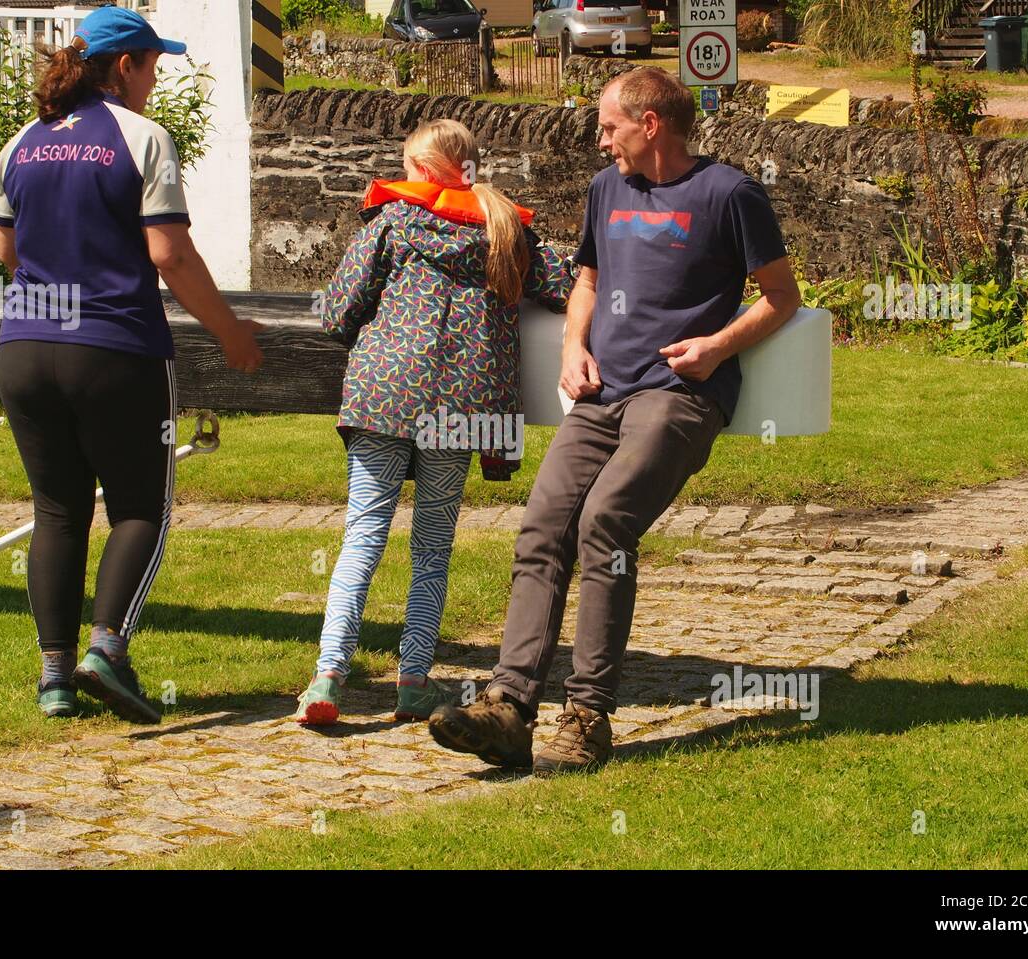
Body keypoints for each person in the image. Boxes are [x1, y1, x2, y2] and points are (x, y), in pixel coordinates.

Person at [428, 68, 801, 774]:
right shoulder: (609, 190)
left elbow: (781, 294)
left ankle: (587, 717)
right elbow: (589, 283)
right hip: (602, 395)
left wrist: (716, 347)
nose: (602, 141)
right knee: (543, 524)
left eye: (610, 127)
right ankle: (508, 708)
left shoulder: (730, 193)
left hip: (681, 396)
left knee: (606, 521)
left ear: (650, 123)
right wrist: (572, 347)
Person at [0, 6, 263, 723]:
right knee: (142, 505)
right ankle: (106, 648)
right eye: (151, 65)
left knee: (57, 510)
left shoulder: (21, 141)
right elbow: (168, 253)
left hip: (23, 349)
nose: (153, 79)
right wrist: (230, 329)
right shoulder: (143, 139)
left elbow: (7, 255)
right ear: (123, 67)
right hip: (114, 349)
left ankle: (53, 676)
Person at [294, 119, 574, 726]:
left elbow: (338, 311)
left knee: (362, 538)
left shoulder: (391, 224)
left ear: (418, 172)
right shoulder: (506, 232)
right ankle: (413, 681)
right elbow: (571, 282)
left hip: (385, 400)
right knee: (432, 549)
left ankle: (328, 676)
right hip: (464, 408)